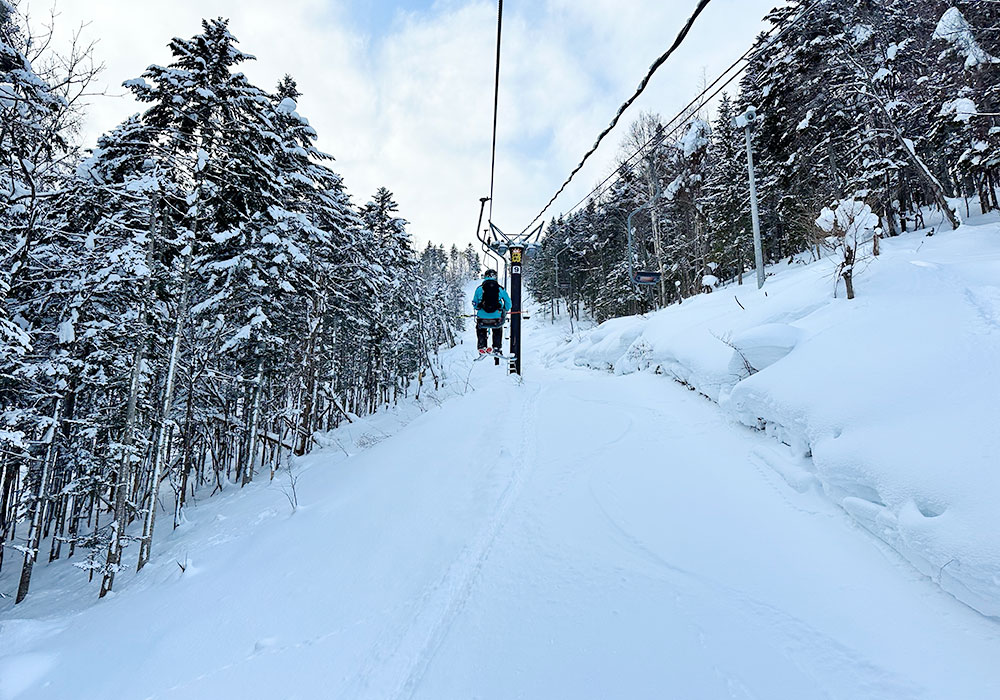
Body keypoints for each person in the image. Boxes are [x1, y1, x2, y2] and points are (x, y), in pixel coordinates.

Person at [471, 269, 512, 355]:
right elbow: (508, 302)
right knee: (497, 329)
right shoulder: (500, 289)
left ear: (485, 276)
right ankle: (497, 347)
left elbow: (475, 303)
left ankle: (482, 347)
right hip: (496, 316)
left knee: (480, 329)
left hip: (482, 317)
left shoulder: (479, 289)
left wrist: (478, 308)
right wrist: (504, 310)